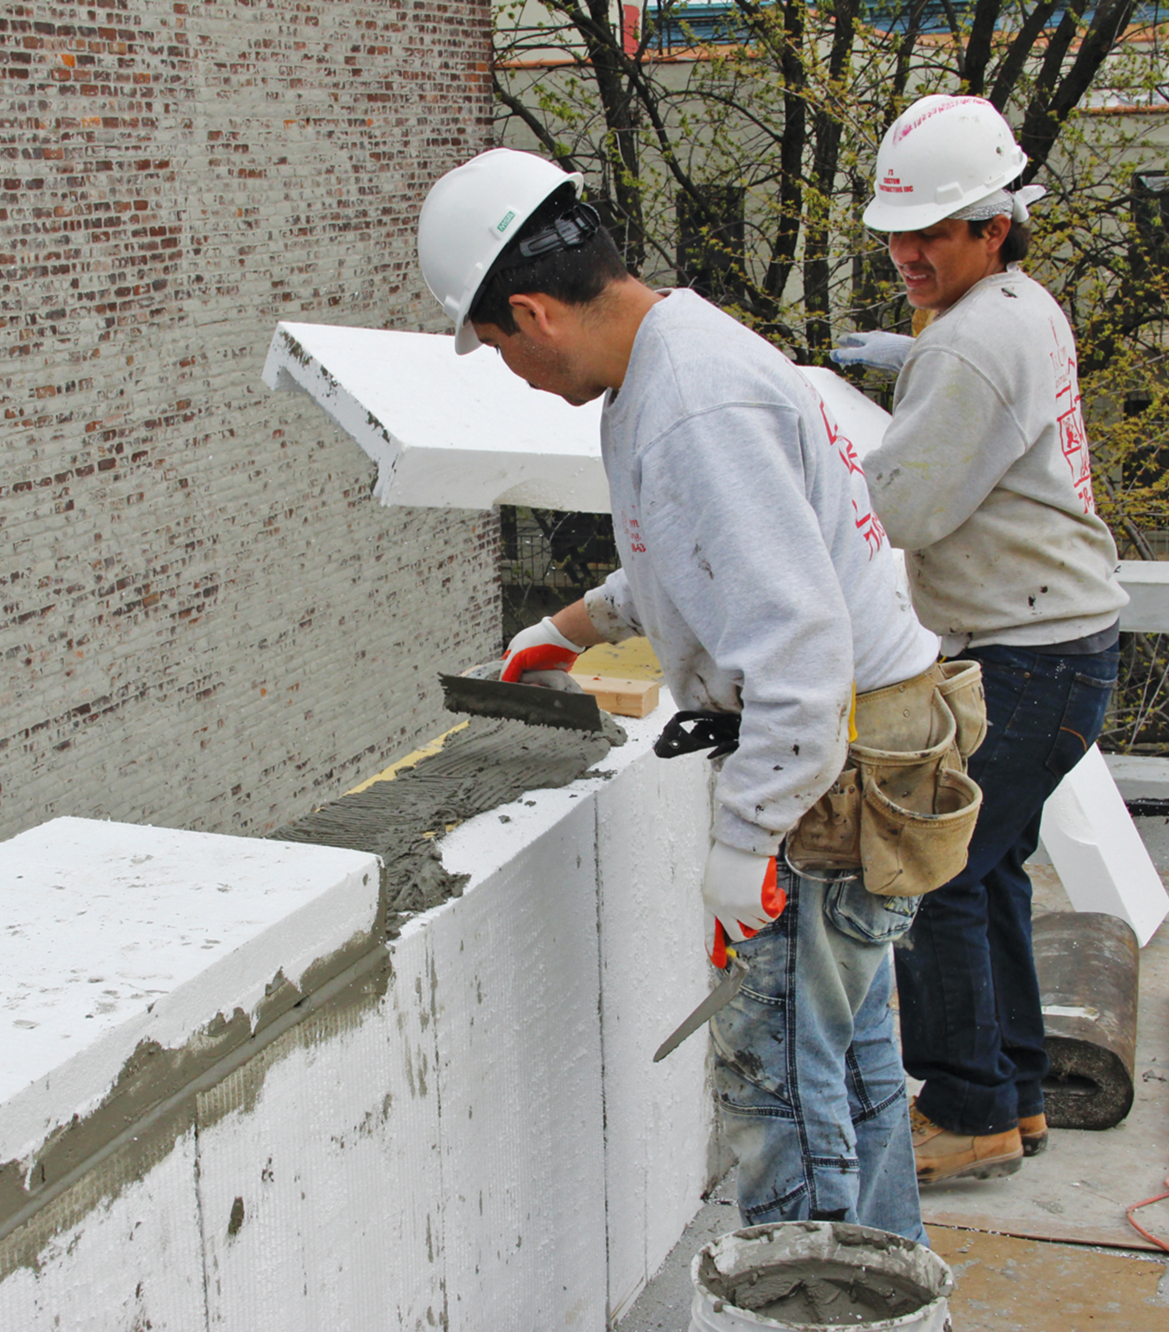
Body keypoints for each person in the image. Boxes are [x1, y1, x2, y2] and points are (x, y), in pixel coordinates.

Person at [417, 148, 967, 1241]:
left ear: (533, 311)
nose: (513, 374)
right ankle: (886, 1285)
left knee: (777, 1086)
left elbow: (798, 650)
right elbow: (701, 549)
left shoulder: (688, 407)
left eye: (500, 349)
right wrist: (566, 631)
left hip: (840, 762)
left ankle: (808, 1306)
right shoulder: (674, 349)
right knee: (844, 1056)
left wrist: (746, 838)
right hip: (868, 737)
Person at [837, 95, 1129, 1184]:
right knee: (993, 866)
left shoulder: (971, 342)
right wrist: (919, 360)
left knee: (935, 874)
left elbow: (904, 510)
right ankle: (1013, 1095)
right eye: (896, 235)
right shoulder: (1018, 305)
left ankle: (965, 1114)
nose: (907, 255)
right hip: (1061, 648)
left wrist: (850, 443)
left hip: (1027, 656)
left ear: (993, 226)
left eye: (931, 235)